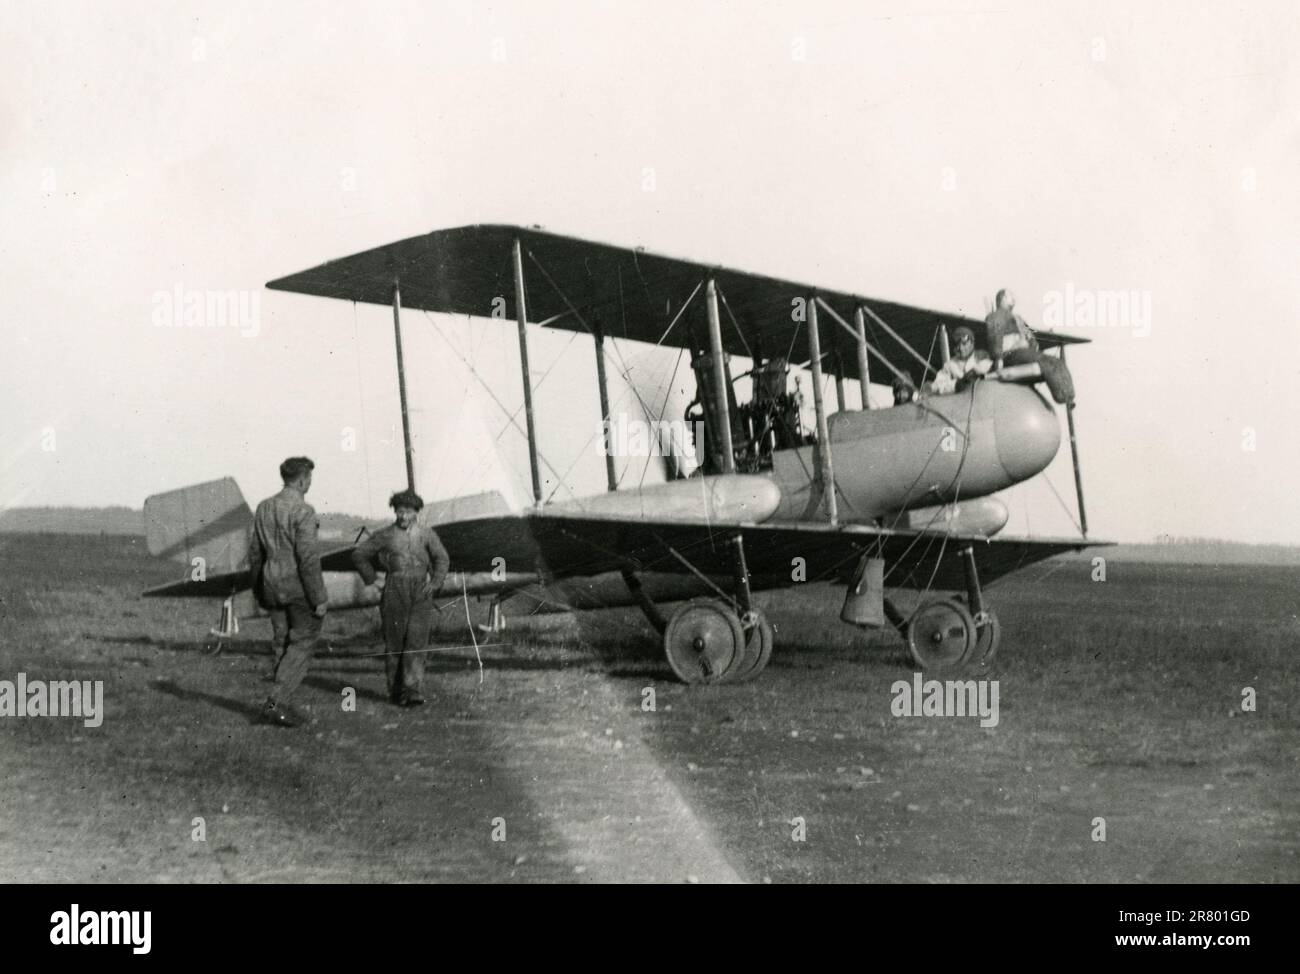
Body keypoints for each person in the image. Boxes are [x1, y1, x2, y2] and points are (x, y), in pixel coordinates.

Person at [247, 456, 329, 728]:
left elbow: (255, 553)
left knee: (282, 640)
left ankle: (275, 704)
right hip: (297, 586)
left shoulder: (263, 507)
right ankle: (276, 701)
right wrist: (318, 597)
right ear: (303, 480)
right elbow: (307, 558)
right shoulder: (303, 511)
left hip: (271, 582)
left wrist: (258, 587)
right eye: (310, 479)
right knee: (303, 640)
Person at [351, 490, 450, 707]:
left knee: (416, 640)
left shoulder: (427, 534)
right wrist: (372, 580)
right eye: (399, 512)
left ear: (416, 512)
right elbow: (359, 555)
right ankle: (396, 690)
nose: (404, 516)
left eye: (408, 512)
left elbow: (442, 558)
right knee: (395, 641)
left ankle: (413, 689)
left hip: (420, 590)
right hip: (394, 588)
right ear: (394, 512)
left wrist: (435, 583)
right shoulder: (386, 534)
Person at [984, 289, 1038, 369]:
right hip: (1008, 354)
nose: (1014, 299)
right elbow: (996, 337)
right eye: (1010, 296)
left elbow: (1030, 337)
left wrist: (1033, 346)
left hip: (1024, 351)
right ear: (1002, 298)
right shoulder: (995, 316)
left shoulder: (1018, 318)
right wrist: (999, 358)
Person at [931, 326, 992, 394]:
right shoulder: (950, 365)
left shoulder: (983, 357)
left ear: (972, 343)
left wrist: (976, 372)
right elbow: (936, 387)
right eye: (957, 345)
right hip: (963, 400)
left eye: (964, 343)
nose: (960, 348)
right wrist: (957, 384)